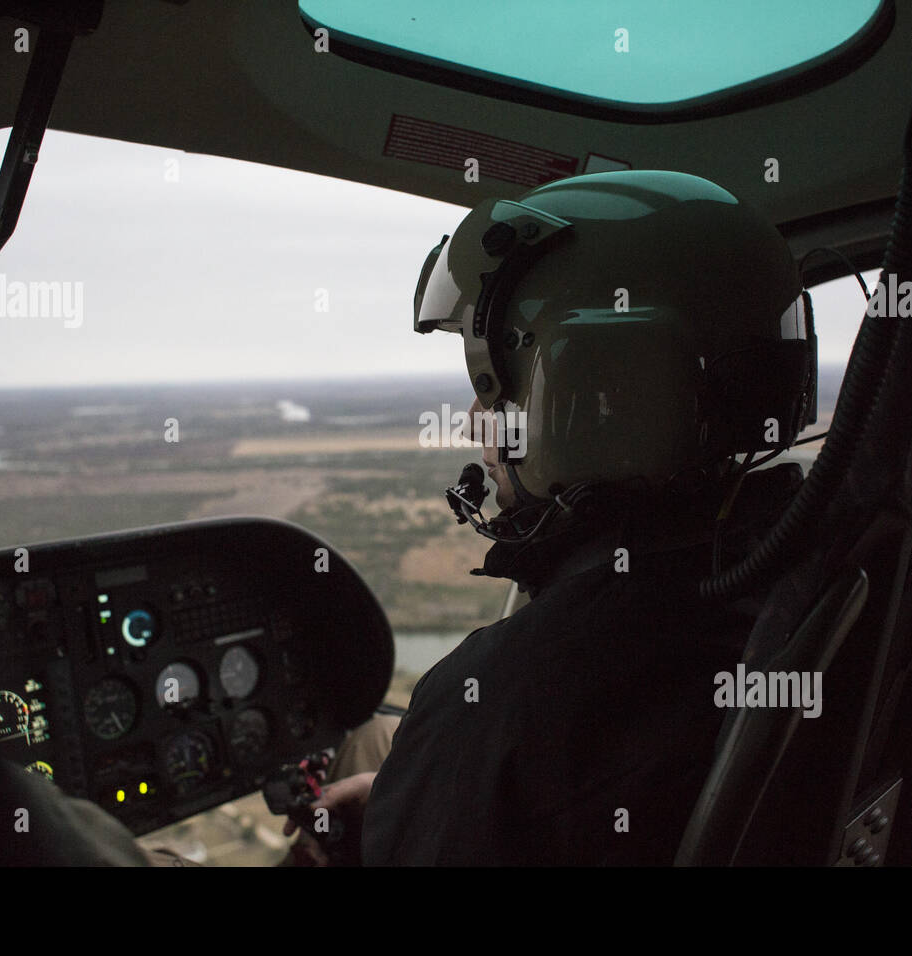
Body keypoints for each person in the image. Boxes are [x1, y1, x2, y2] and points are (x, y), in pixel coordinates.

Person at [288, 169, 818, 865]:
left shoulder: (498, 699)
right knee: (377, 743)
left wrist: (405, 811)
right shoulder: (800, 567)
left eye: (493, 389)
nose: (478, 421)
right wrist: (411, 791)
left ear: (592, 382)